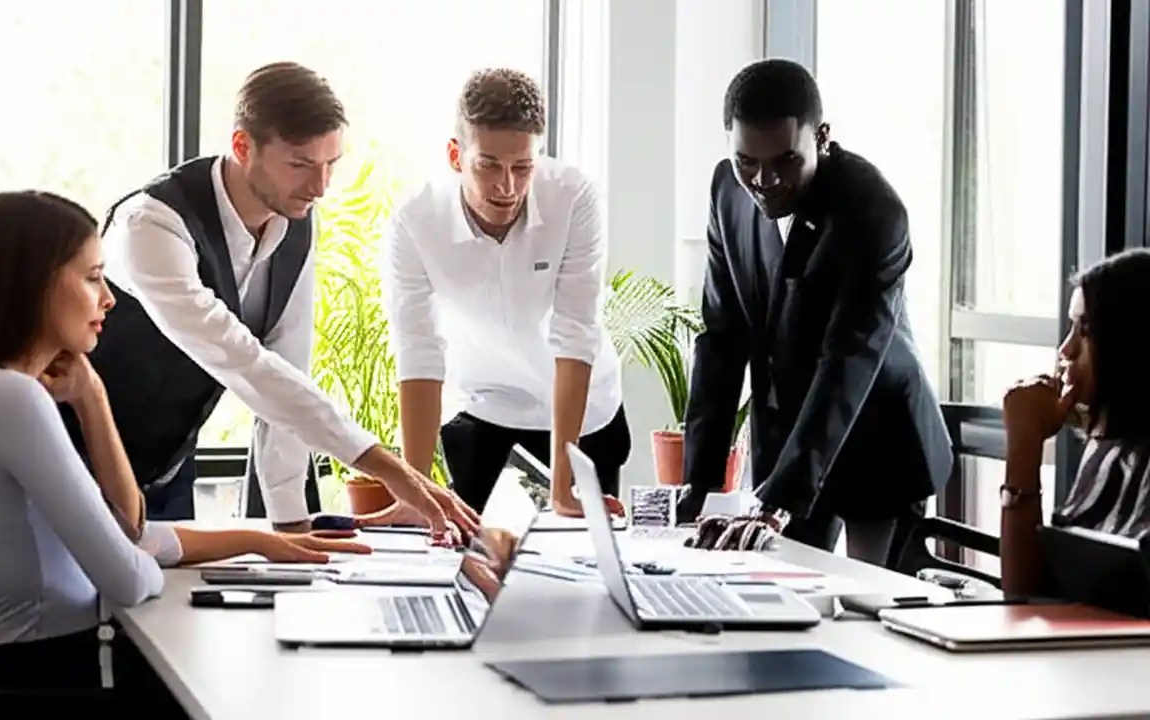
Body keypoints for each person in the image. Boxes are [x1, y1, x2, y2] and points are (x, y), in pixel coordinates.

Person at [0, 191, 373, 711]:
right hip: (44, 685)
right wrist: (133, 555)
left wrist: (92, 397)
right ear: (34, 284)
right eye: (92, 277)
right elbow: (125, 574)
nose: (109, 299)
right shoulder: (6, 398)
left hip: (40, 669)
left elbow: (125, 532)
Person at [62, 60, 476, 539]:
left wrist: (290, 522)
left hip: (168, 474)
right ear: (242, 146)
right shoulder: (151, 225)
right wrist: (390, 468)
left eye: (330, 165)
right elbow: (243, 362)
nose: (320, 187)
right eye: (300, 165)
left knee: (163, 610)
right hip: (71, 465)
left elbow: (288, 364)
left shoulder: (297, 219)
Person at [681, 58, 952, 567]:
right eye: (747, 162)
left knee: (868, 613)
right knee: (780, 597)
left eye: (785, 161)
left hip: (876, 434)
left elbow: (847, 358)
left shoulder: (874, 212)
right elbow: (722, 338)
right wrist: (698, 485)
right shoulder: (728, 192)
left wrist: (776, 503)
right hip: (790, 445)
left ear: (820, 137)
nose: (764, 180)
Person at [376, 68, 628, 518]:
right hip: (483, 409)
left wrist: (562, 486)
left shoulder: (573, 198)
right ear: (456, 155)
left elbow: (575, 333)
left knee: (578, 571)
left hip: (583, 416)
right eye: (488, 165)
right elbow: (419, 352)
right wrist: (414, 493)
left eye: (522, 167)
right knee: (471, 563)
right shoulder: (416, 221)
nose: (507, 186)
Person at [1001, 249, 1150, 596]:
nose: (1065, 350)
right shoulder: (1107, 445)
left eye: (1085, 330)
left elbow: (1026, 599)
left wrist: (1024, 446)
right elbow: (1031, 592)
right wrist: (1025, 445)